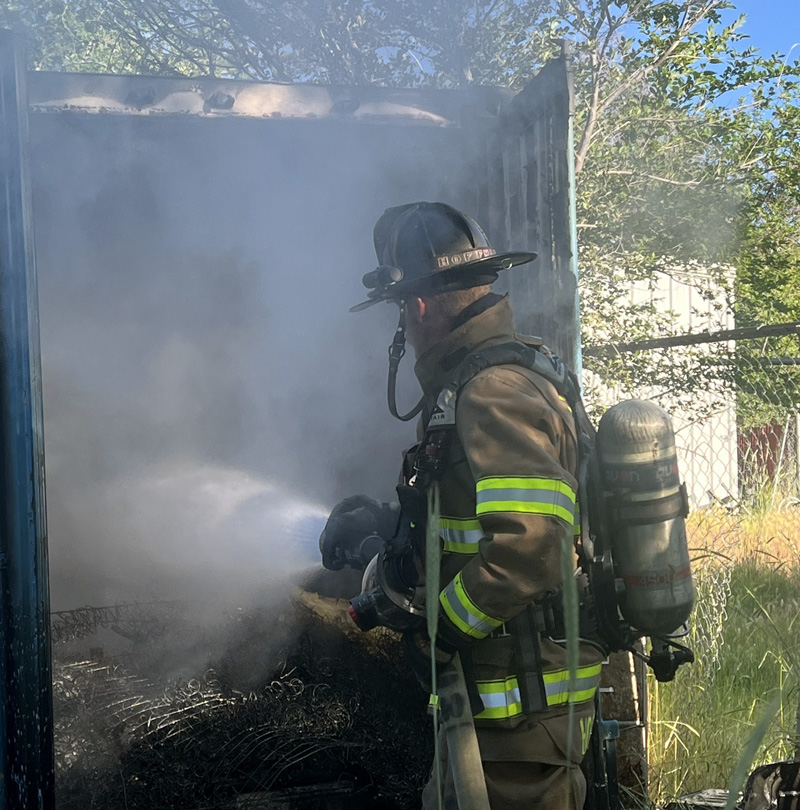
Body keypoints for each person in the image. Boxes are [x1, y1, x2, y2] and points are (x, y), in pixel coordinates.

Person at [320, 201, 604, 810]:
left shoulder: (493, 389)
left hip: (518, 711)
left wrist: (439, 628)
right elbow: (475, 521)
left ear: (417, 305)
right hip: (501, 708)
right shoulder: (493, 378)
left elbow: (531, 546)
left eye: (399, 309)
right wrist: (392, 525)